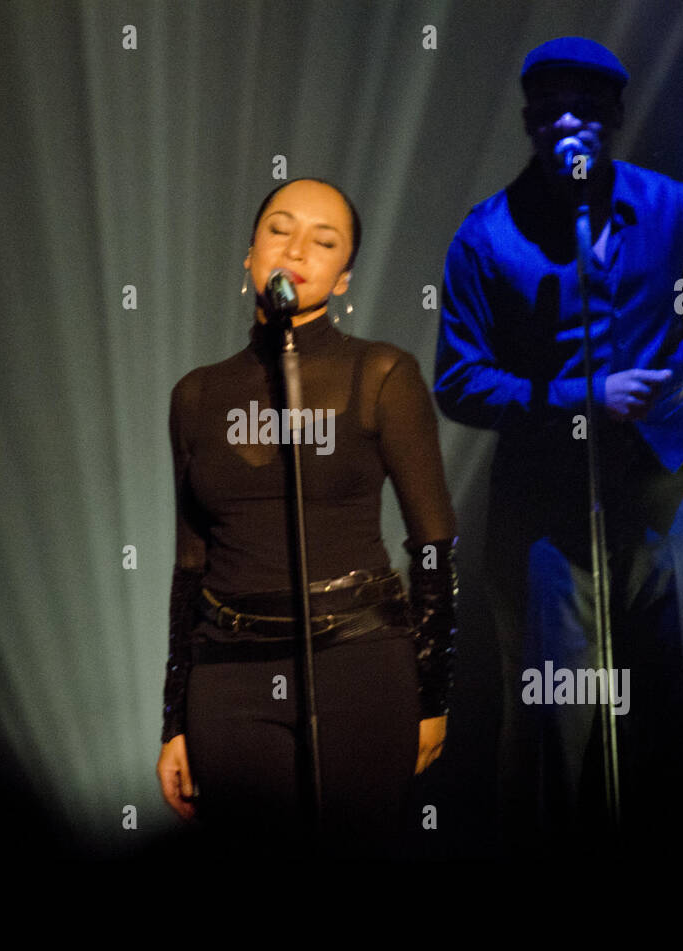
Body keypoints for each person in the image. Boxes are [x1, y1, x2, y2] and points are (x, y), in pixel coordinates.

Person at [433, 38, 683, 854]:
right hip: (552, 513)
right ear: (529, 120)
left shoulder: (671, 207)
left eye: (587, 106)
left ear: (614, 116)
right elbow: (457, 381)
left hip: (675, 492)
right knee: (553, 732)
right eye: (551, 107)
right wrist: (580, 397)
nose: (569, 121)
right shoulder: (486, 237)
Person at [156, 178, 458, 854]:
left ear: (345, 276)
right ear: (248, 256)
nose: (296, 248)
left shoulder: (382, 373)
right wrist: (173, 718)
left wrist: (431, 691)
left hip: (357, 660)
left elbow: (434, 543)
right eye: (279, 229)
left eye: (323, 241)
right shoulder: (196, 394)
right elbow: (189, 563)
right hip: (229, 676)